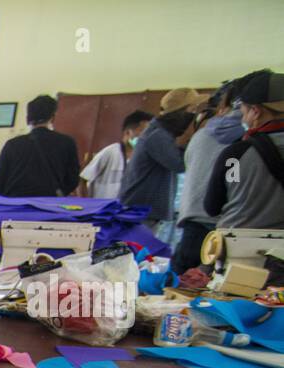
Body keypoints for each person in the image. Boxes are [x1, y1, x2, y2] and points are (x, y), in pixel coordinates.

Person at [173, 80, 245, 273]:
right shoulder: (244, 141)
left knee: (176, 291)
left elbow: (189, 166)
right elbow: (234, 184)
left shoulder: (201, 135)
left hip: (192, 222)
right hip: (222, 228)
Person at [120, 87, 204, 244]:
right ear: (180, 113)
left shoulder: (161, 133)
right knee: (136, 253)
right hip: (141, 210)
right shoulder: (157, 135)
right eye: (192, 110)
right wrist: (189, 137)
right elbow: (178, 164)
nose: (194, 116)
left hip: (146, 209)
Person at [205, 69, 284, 230]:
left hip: (241, 247)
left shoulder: (234, 156)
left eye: (243, 112)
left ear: (255, 111)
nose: (243, 119)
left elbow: (212, 207)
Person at [0, 95, 80, 197]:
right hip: (49, 204)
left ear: (27, 118)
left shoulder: (12, 144)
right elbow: (73, 180)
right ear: (53, 117)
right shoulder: (67, 143)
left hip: (15, 205)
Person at [77, 111, 152, 199]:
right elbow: (82, 179)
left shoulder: (143, 156)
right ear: (128, 133)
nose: (147, 137)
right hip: (102, 208)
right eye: (143, 133)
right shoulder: (110, 152)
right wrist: (87, 203)